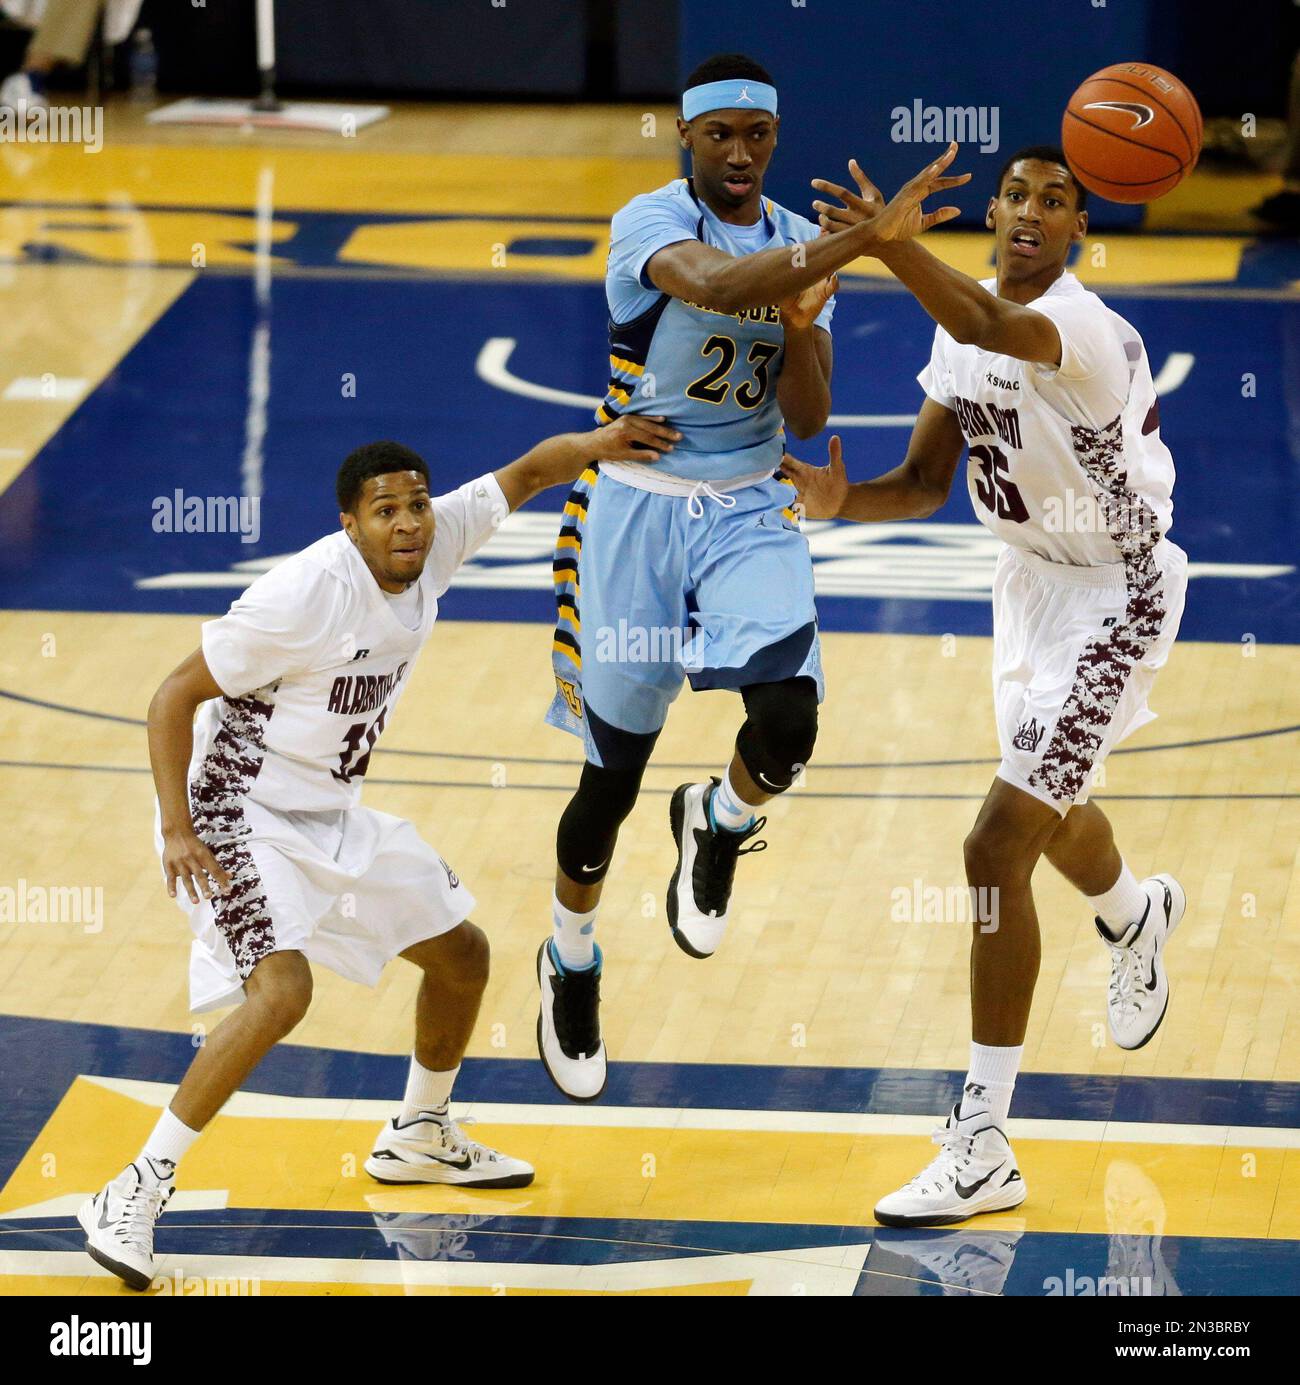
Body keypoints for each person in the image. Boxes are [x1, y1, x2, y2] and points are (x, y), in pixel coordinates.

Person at [77, 415, 679, 1291]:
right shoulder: (304, 593)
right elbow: (173, 694)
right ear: (349, 523)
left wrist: (606, 438)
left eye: (418, 505)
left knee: (462, 955)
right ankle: (134, 1187)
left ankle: (418, 1134)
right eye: (385, 510)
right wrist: (176, 825)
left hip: (330, 811)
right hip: (238, 814)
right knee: (283, 991)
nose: (408, 522)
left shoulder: (434, 547)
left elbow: (527, 470)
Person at [785, 143, 1187, 1227]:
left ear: (1075, 234)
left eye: (1054, 202)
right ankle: (1134, 912)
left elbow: (985, 326)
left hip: (1117, 594)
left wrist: (884, 244)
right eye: (1015, 194)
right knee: (1051, 818)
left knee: (993, 843)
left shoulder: (1076, 328)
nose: (1027, 212)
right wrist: (839, 503)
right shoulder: (956, 327)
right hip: (1027, 592)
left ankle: (982, 1139)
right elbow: (920, 481)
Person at [535, 52, 943, 1104]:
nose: (737, 153)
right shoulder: (648, 221)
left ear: (772, 141)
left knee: (790, 725)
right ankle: (570, 957)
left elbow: (808, 416)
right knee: (609, 780)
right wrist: (866, 239)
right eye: (716, 134)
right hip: (634, 506)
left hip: (751, 502)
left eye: (754, 136)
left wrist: (809, 318)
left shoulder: (800, 253)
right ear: (686, 138)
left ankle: (717, 818)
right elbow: (713, 288)